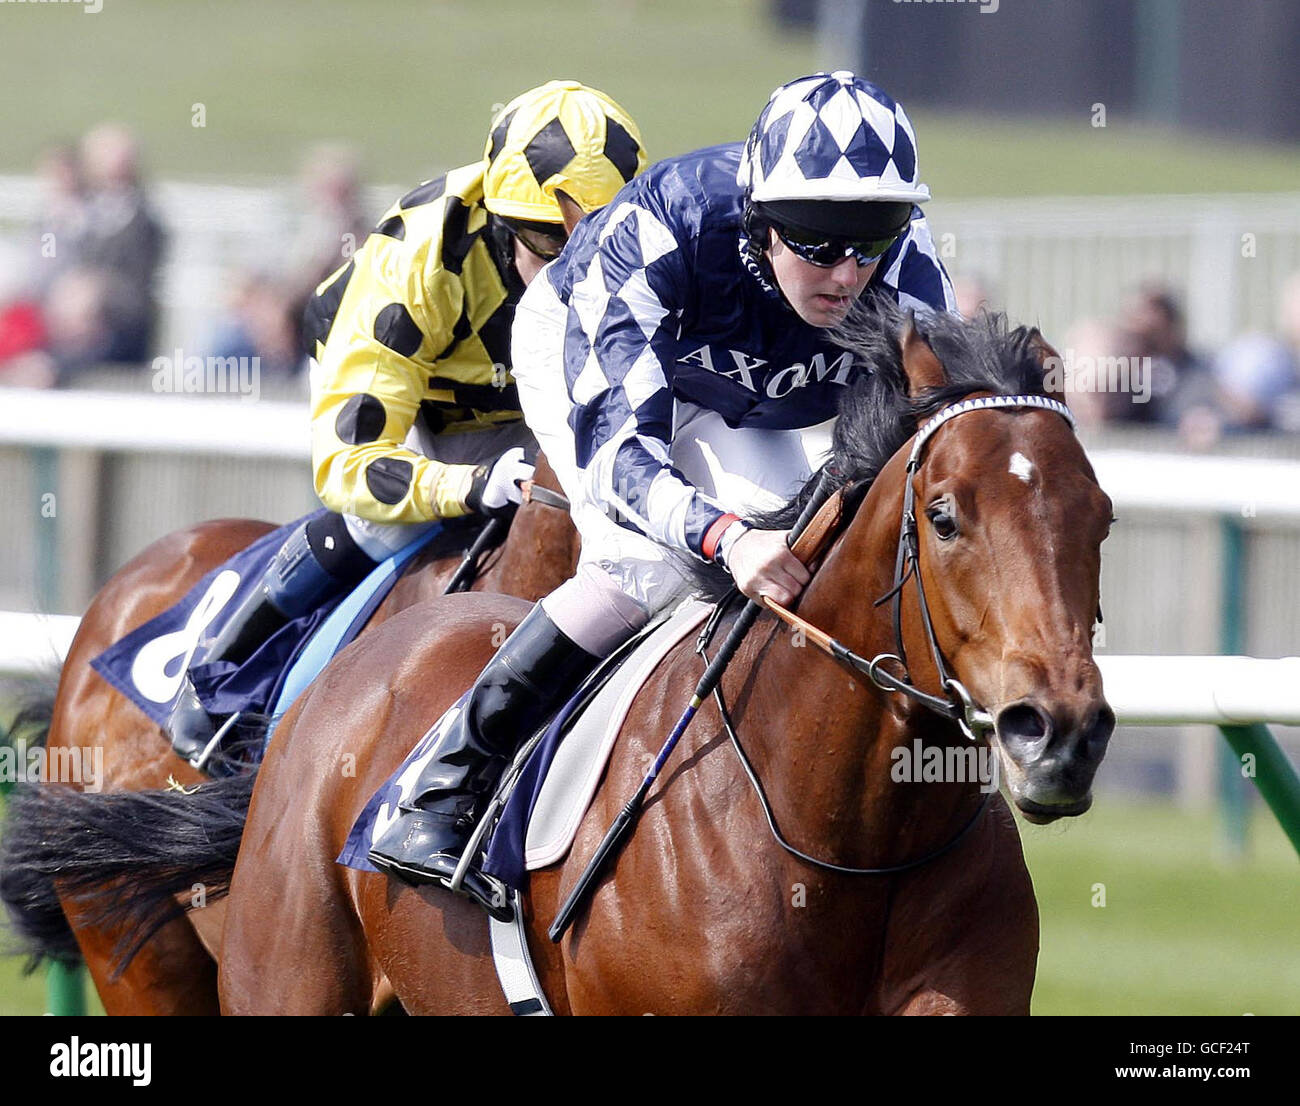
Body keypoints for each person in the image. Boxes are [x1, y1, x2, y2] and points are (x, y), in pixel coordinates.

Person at [368, 71, 958, 911]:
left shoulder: (909, 270)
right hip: (603, 362)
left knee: (812, 558)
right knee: (649, 564)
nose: (849, 273)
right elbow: (619, 455)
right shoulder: (660, 231)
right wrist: (725, 537)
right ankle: (442, 779)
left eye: (875, 239)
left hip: (746, 387)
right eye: (819, 243)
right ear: (758, 218)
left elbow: (920, 441)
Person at [165, 80, 648, 763]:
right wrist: (469, 485)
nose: (571, 271)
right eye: (547, 241)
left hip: (529, 397)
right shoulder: (415, 256)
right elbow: (351, 465)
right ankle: (218, 675)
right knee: (389, 516)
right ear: (504, 220)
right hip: (416, 397)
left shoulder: (647, 242)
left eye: (594, 242)